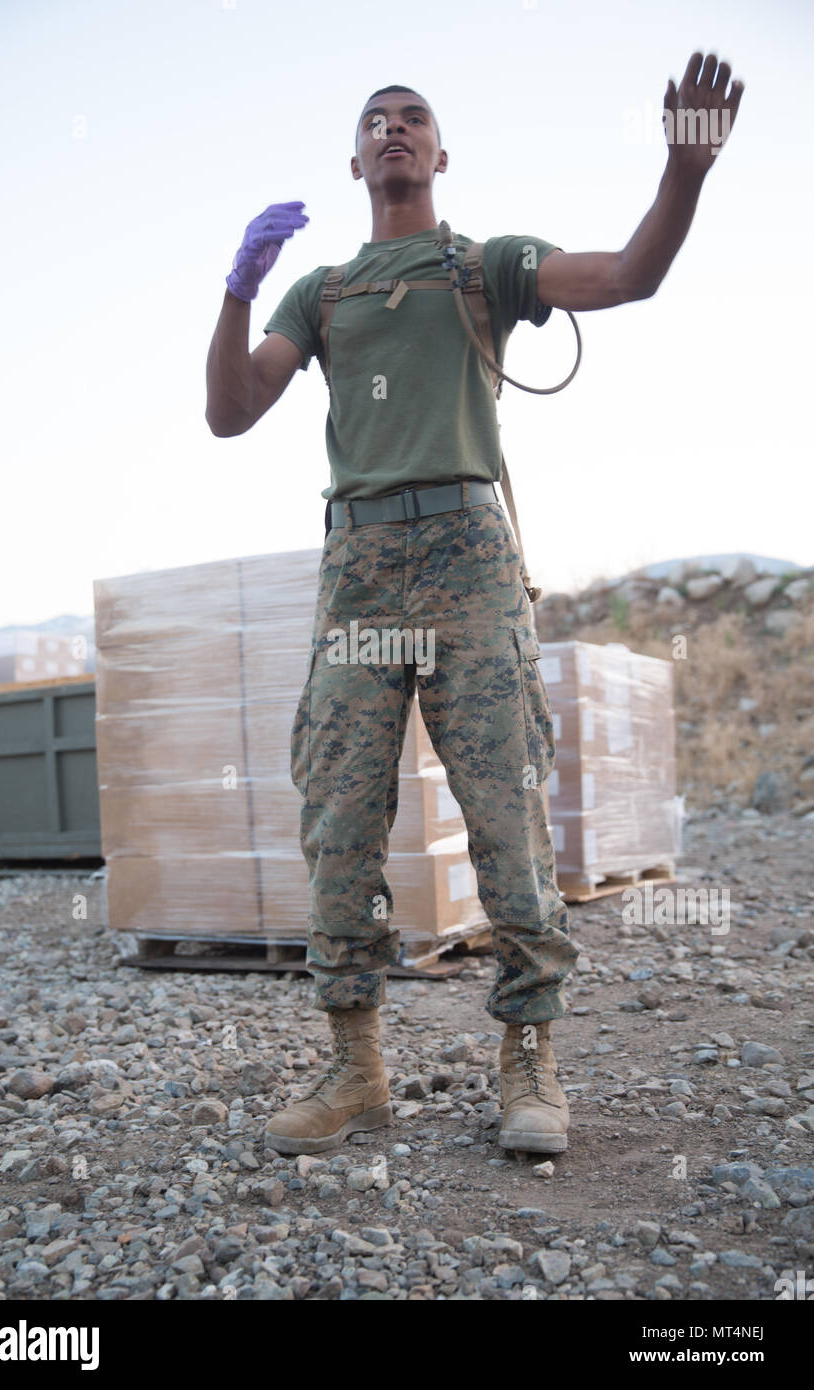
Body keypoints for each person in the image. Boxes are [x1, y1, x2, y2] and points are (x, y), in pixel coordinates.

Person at [205, 56, 744, 1157]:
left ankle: (529, 1057)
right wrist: (236, 291)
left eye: (412, 121)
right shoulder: (324, 293)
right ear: (353, 159)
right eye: (374, 123)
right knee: (339, 818)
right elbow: (228, 411)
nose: (393, 133)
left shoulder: (483, 265)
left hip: (468, 556)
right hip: (359, 567)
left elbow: (627, 275)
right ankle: (355, 1068)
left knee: (504, 813)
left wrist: (681, 173)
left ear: (439, 154)